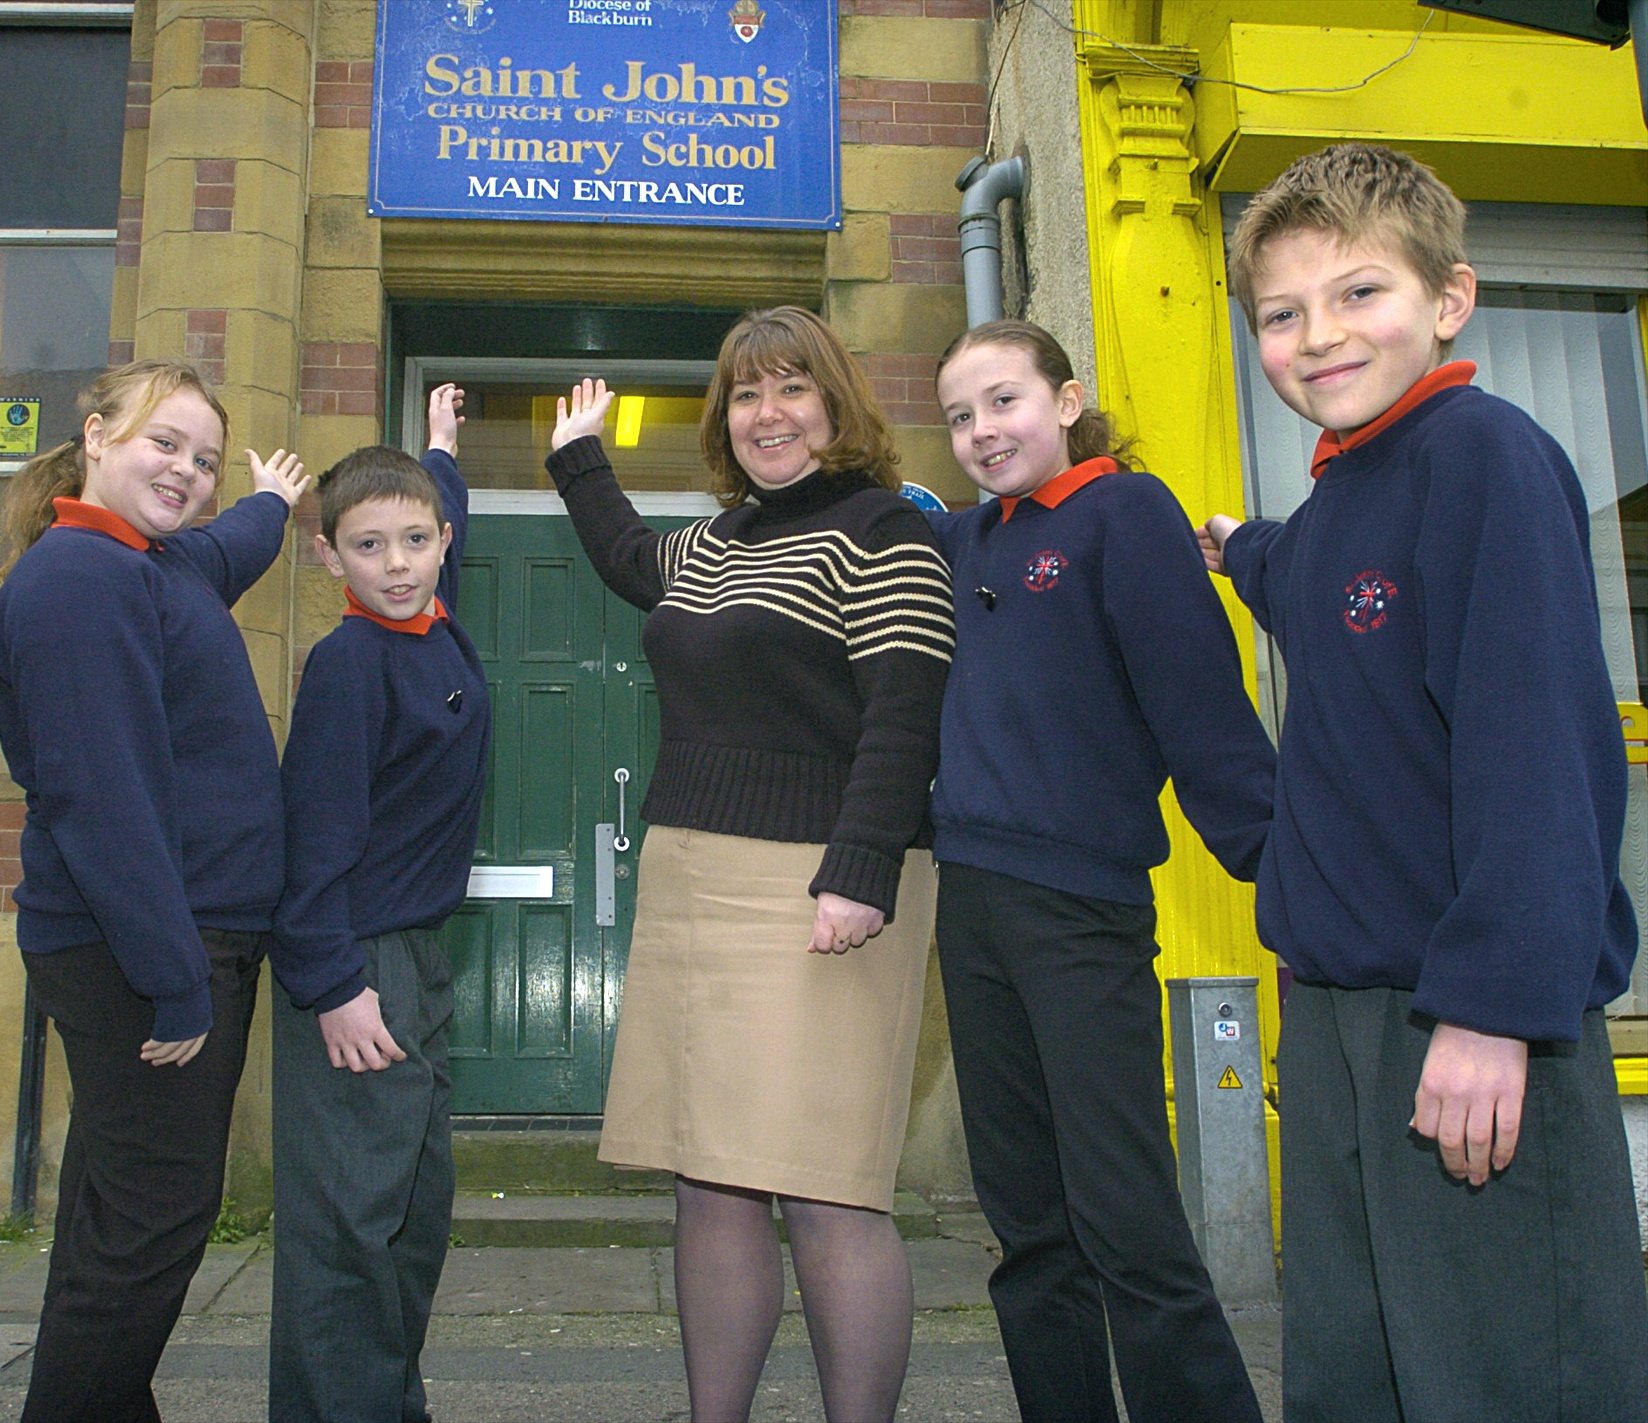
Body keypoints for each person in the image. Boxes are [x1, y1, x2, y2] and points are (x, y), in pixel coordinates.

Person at [1198, 141, 1648, 1421]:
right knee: (1353, 1373)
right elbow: (1306, 575)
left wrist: (1491, 1009)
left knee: (1499, 1373)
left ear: (1447, 300)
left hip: (1462, 1019)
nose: (1317, 336)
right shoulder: (1338, 495)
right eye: (1279, 314)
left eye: (1358, 293)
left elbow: (1533, 747)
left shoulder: (1482, 457)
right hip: (1337, 1024)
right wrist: (1235, 548)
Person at [544, 307, 953, 1423]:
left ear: (835, 402)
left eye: (790, 388)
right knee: (708, 1178)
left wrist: (859, 870)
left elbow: (904, 716)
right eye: (744, 393)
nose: (766, 413)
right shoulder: (716, 542)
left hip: (820, 887)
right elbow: (630, 559)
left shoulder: (885, 534)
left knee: (826, 1187)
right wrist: (579, 458)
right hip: (692, 873)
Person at [927, 319, 1274, 1423]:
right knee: (1026, 1221)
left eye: (1004, 401)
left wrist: (1284, 870)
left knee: (1125, 1216)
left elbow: (1199, 704)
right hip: (969, 900)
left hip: (1081, 909)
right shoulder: (960, 541)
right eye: (959, 416)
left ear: (1066, 400)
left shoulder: (1125, 512)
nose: (982, 431)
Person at [0, 358, 308, 1423]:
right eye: (164, 443)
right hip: (146, 946)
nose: (187, 472)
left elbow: (227, 545)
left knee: (117, 1218)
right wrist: (175, 981)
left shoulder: (156, 562)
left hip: (178, 934)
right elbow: (101, 794)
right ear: (97, 436)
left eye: (204, 459)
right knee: (155, 1219)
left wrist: (271, 500)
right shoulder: (80, 578)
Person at [268, 383, 487, 1423]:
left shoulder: (436, 631)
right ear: (328, 557)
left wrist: (440, 450)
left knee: (412, 1210)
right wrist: (332, 983)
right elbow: (310, 838)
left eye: (414, 539)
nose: (395, 564)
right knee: (349, 1226)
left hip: (417, 959)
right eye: (366, 546)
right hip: (355, 961)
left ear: (443, 541)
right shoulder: (350, 662)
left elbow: (433, 515)